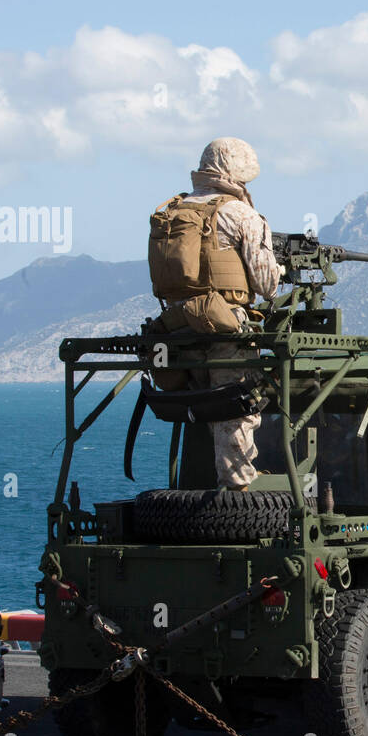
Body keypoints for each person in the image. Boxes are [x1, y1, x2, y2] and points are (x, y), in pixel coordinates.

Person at [147, 138, 281, 490]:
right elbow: (267, 284)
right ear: (237, 175)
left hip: (177, 327)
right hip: (223, 327)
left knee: (200, 405)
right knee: (236, 410)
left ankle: (202, 490)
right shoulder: (240, 214)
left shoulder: (171, 211)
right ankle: (236, 492)